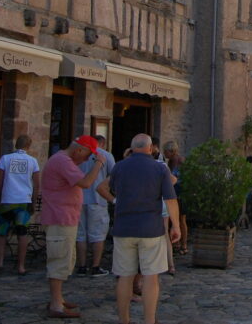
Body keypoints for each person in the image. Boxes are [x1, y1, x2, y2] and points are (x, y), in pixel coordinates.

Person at [98, 133, 180, 324]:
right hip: (150, 229)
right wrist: (176, 226)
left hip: (123, 228)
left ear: (132, 147)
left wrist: (114, 201)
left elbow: (102, 187)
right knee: (151, 278)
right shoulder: (159, 168)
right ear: (150, 148)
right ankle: (149, 320)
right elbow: (170, 199)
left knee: (124, 277)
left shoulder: (120, 167)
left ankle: (124, 320)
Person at [41, 135, 105, 319]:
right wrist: (98, 164)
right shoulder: (62, 161)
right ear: (79, 149)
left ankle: (58, 299)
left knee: (65, 259)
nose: (86, 159)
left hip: (64, 217)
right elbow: (85, 183)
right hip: (59, 217)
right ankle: (55, 305)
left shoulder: (63, 160)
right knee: (59, 260)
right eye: (87, 155)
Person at [0, 134, 40, 276]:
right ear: (28, 146)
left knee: (2, 232)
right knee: (22, 233)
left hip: (7, 200)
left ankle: (0, 262)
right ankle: (21, 266)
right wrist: (34, 201)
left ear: (16, 145)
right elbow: (37, 184)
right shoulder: (33, 161)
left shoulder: (5, 159)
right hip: (23, 201)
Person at [75, 135, 115, 277]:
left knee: (81, 234)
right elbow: (114, 175)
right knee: (97, 234)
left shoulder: (79, 154)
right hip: (98, 199)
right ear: (102, 143)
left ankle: (82, 265)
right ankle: (95, 266)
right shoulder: (105, 155)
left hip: (79, 198)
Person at [162, 141, 188, 255]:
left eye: (166, 151)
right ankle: (179, 244)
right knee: (178, 220)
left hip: (179, 192)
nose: (164, 154)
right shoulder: (172, 161)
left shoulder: (177, 161)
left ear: (171, 151)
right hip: (178, 192)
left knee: (180, 220)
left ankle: (183, 244)